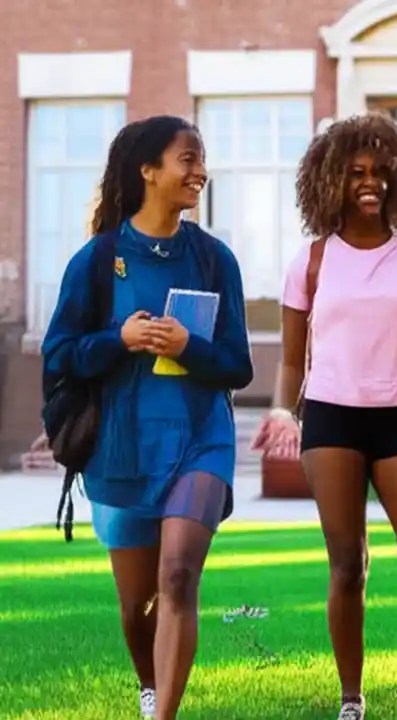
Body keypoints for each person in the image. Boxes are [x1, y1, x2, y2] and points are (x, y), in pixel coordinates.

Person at [251, 113, 397, 719]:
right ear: (331, 179)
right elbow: (292, 357)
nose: (370, 182)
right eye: (356, 172)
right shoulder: (311, 261)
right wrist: (282, 410)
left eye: (381, 172)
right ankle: (351, 697)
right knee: (348, 565)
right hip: (331, 419)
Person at [42, 115, 253, 720]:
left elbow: (238, 366)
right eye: (188, 159)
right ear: (148, 170)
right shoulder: (97, 260)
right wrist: (120, 338)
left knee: (179, 576)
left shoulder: (214, 259)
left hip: (201, 439)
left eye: (202, 160)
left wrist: (189, 347)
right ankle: (149, 683)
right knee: (137, 608)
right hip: (122, 447)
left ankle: (164, 716)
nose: (200, 172)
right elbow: (60, 354)